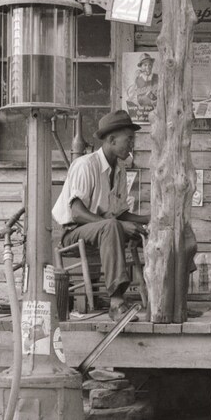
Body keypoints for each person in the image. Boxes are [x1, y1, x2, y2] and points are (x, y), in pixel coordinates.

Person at [52, 109, 149, 321]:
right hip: (73, 233)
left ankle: (169, 299)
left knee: (161, 227)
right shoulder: (86, 165)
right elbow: (77, 213)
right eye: (129, 139)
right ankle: (116, 303)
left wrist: (152, 220)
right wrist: (119, 225)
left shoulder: (121, 169)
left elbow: (120, 214)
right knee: (112, 226)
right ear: (112, 140)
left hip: (104, 230)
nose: (132, 144)